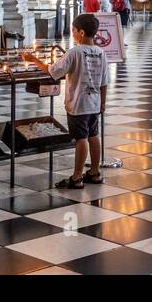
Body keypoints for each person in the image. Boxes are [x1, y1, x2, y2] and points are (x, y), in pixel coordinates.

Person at [49, 13, 111, 189]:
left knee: (81, 139)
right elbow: (104, 82)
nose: (73, 33)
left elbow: (54, 72)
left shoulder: (75, 52)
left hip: (78, 104)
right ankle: (94, 172)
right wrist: (103, 103)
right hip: (94, 103)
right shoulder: (101, 53)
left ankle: (77, 177)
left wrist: (34, 60)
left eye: (74, 30)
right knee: (94, 136)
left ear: (81, 32)